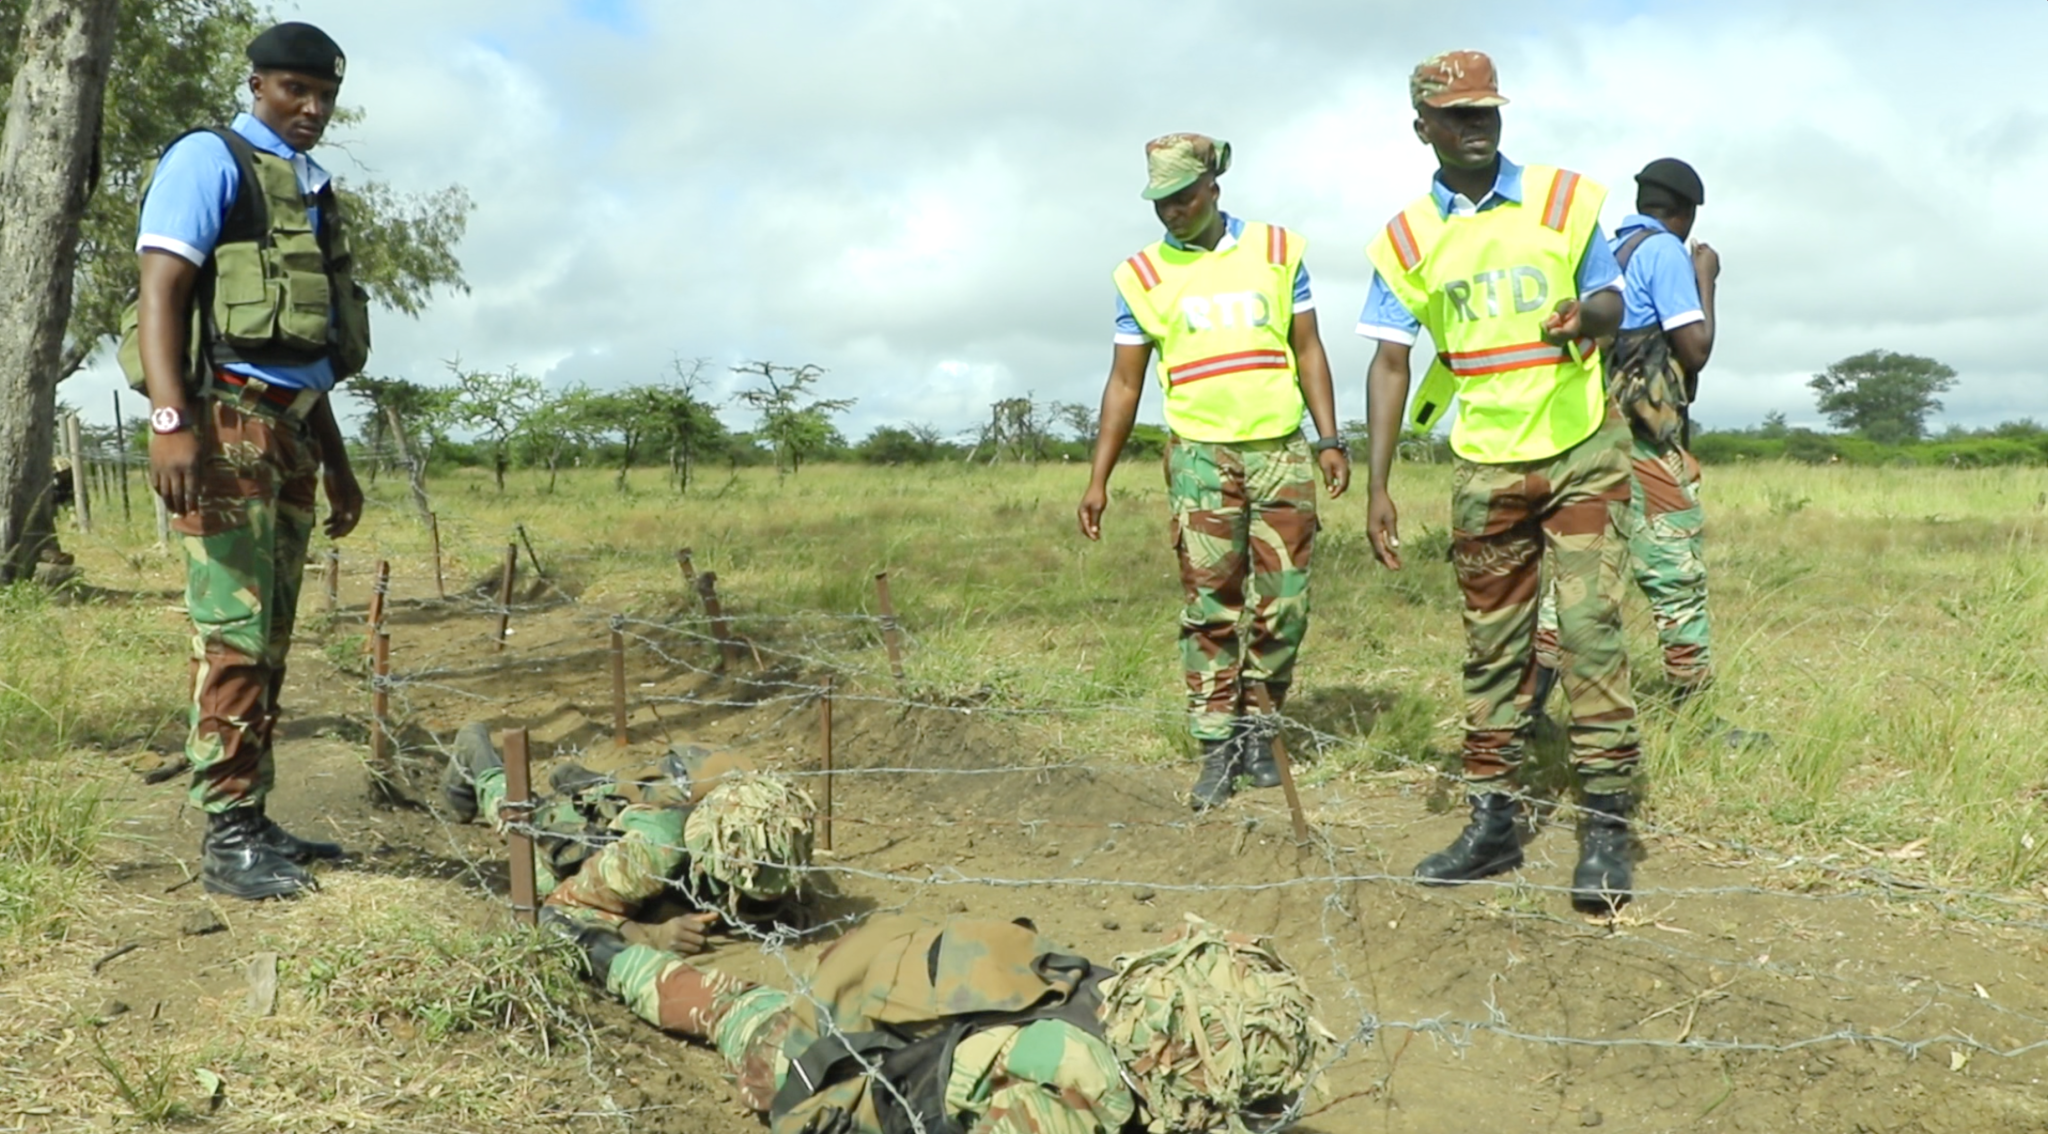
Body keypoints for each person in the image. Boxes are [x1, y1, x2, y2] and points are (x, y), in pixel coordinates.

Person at [1358, 51, 1643, 913]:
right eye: (1458, 115)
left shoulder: (1564, 200)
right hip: (1485, 462)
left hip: (1581, 444)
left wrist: (1582, 316)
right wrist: (1378, 485)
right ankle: (1492, 825)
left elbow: (1611, 302)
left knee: (1591, 633)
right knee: (1493, 650)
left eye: (1487, 110)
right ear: (1424, 129)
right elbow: (1389, 360)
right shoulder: (1405, 239)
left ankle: (1605, 829)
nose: (1478, 125)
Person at [121, 21, 372, 901]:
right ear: (258, 84)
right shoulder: (210, 158)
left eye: (326, 95)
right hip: (224, 425)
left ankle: (253, 818)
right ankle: (226, 837)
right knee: (231, 635)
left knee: (268, 639)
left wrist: (336, 462)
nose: (313, 109)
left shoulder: (307, 187)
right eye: (296, 90)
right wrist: (168, 419)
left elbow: (309, 348)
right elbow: (163, 286)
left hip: (292, 431)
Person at [1077, 133, 1349, 812]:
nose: (1173, 211)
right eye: (1161, 202)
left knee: (1284, 600)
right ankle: (1215, 744)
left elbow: (1309, 348)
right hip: (1199, 459)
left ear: (1214, 190)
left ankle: (1261, 725)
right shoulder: (1139, 276)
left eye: (1184, 197)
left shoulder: (1280, 252)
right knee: (1210, 606)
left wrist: (1329, 438)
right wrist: (1097, 478)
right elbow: (1123, 383)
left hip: (1279, 452)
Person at [555, 910, 1329, 1134]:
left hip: (922, 991)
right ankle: (587, 944)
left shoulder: (1130, 1004)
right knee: (734, 1012)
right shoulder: (1070, 1091)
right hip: (867, 1058)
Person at [1531, 159, 1742, 730]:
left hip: (1591, 437)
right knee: (1677, 570)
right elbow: (1694, 349)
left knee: (1580, 576)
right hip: (1645, 445)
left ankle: (1527, 709)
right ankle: (1696, 714)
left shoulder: (1605, 250)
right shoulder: (1664, 252)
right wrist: (1706, 277)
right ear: (1686, 212)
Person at [441, 725, 818, 968]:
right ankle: (475, 754)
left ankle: (595, 786)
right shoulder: (654, 852)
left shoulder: (770, 826)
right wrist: (651, 934)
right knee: (522, 820)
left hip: (646, 820)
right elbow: (563, 906)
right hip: (589, 843)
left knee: (617, 798)